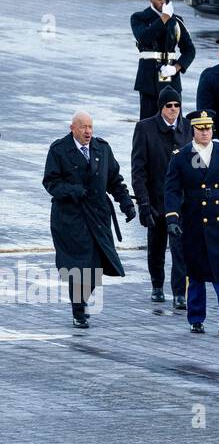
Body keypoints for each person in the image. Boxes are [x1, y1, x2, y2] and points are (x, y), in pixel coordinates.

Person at [42, 112, 136, 329]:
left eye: (90, 127)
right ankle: (78, 310)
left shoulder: (102, 148)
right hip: (70, 218)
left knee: (95, 266)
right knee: (78, 264)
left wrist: (126, 204)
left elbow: (115, 180)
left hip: (98, 216)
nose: (88, 132)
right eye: (83, 127)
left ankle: (82, 300)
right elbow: (50, 182)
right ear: (72, 128)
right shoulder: (58, 150)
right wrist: (73, 190)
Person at [164, 110, 219, 335]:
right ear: (193, 130)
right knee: (196, 273)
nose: (205, 133)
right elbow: (172, 189)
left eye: (208, 128)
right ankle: (196, 318)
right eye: (201, 129)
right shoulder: (181, 156)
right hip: (194, 221)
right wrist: (172, 218)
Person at [130, 85, 192, 308]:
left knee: (180, 247)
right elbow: (139, 169)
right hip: (156, 198)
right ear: (161, 107)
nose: (173, 109)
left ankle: (179, 293)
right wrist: (143, 203)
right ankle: (157, 285)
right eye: (169, 106)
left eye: (177, 105)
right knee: (156, 246)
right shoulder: (145, 128)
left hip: (182, 201)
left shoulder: (187, 128)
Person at [131, 0, 195, 120]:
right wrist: (164, 18)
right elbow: (145, 38)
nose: (162, 2)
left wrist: (176, 68)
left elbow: (189, 50)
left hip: (171, 79)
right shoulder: (139, 17)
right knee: (148, 121)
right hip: (149, 77)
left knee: (175, 121)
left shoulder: (177, 21)